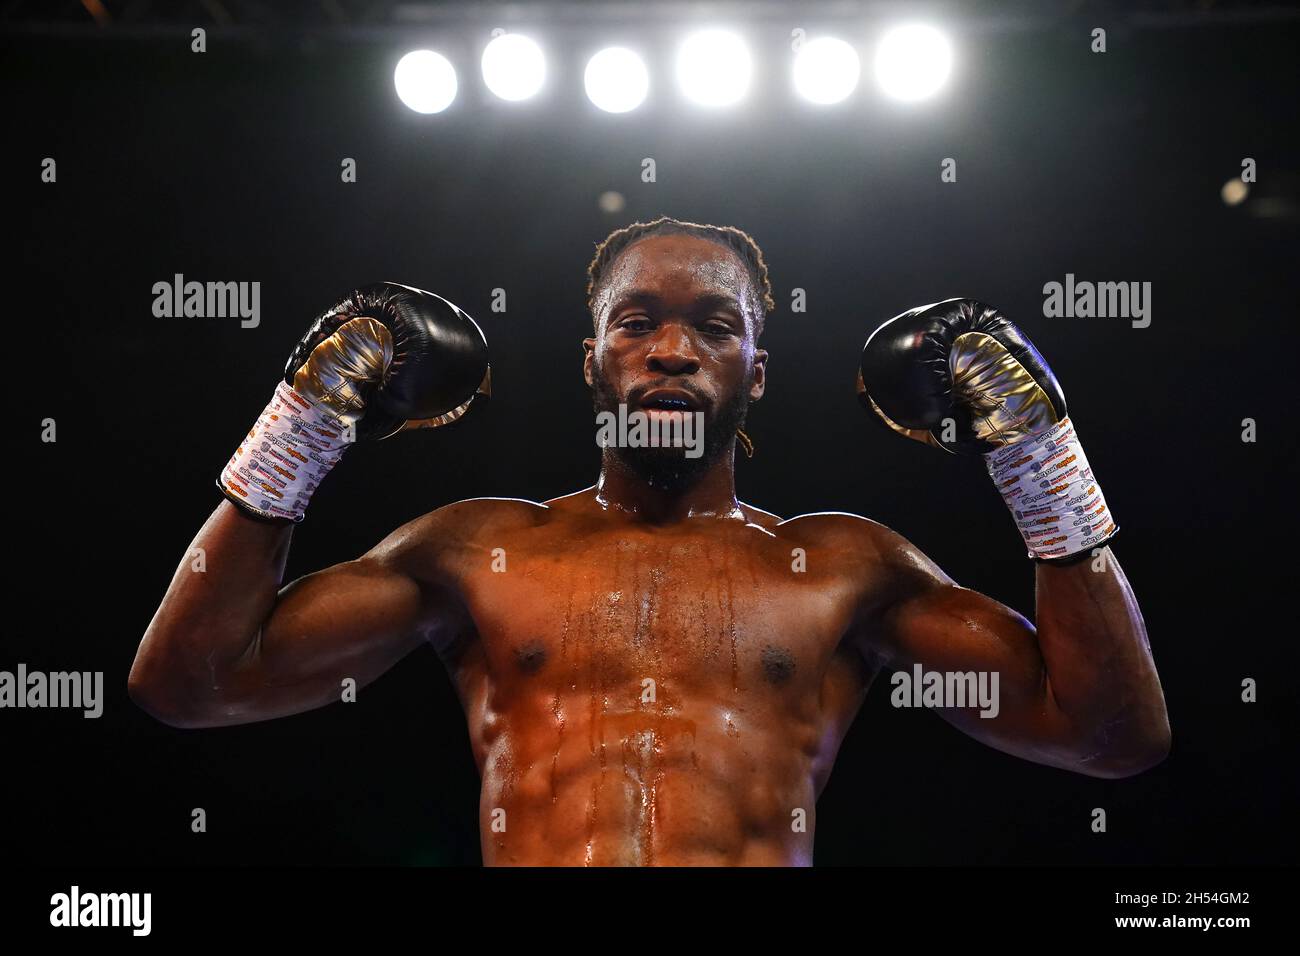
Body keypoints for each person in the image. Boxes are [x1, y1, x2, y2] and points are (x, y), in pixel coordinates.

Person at [129, 216, 1170, 866]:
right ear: (593, 360)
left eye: (715, 325)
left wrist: (1036, 451)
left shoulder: (846, 566)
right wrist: (303, 422)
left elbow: (1106, 733)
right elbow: (193, 682)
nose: (672, 349)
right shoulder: (477, 551)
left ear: (754, 370)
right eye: (637, 321)